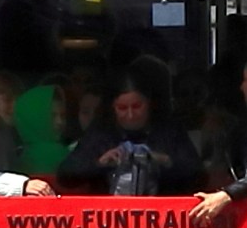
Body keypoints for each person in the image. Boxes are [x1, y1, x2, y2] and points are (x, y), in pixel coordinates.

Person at [40, 81, 200, 199]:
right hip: (109, 220)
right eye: (122, 108)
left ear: (149, 104)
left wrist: (166, 161)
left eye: (137, 106)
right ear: (113, 108)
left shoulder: (169, 132)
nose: (130, 115)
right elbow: (65, 176)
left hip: (162, 221)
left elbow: (199, 178)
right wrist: (99, 164)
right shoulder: (101, 134)